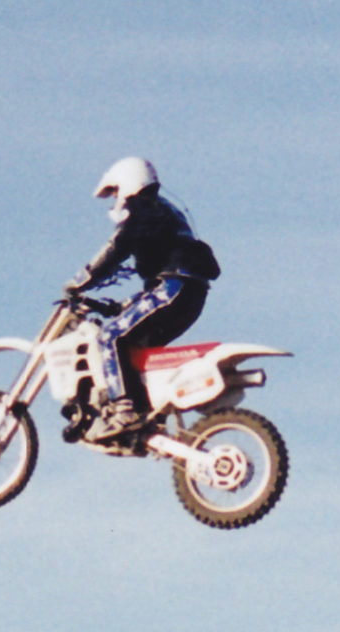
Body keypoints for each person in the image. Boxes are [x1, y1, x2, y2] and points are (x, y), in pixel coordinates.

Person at [66, 157, 220, 444]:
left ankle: (124, 411)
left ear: (128, 182)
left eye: (114, 191)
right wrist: (122, 305)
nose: (114, 199)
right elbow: (159, 262)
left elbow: (118, 247)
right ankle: (144, 414)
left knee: (109, 336)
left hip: (175, 286)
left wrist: (84, 278)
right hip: (190, 292)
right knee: (136, 346)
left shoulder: (144, 208)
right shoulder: (165, 212)